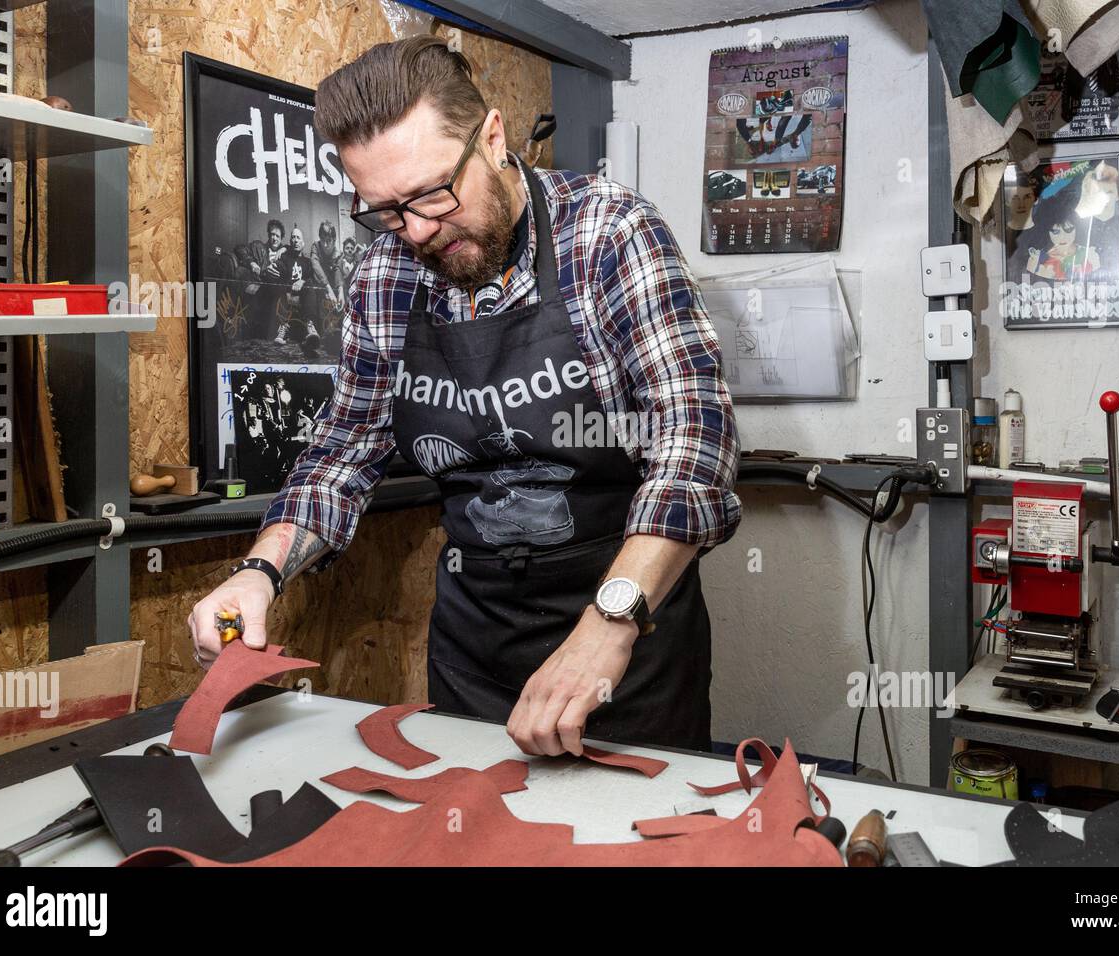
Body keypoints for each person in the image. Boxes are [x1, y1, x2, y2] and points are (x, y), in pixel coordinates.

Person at [187, 36, 741, 756]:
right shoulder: (386, 277)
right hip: (475, 646)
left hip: (626, 634)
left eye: (431, 194)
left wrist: (609, 624)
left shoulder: (609, 234)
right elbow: (342, 453)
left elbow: (695, 445)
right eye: (385, 211)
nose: (415, 230)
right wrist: (259, 572)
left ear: (493, 137)